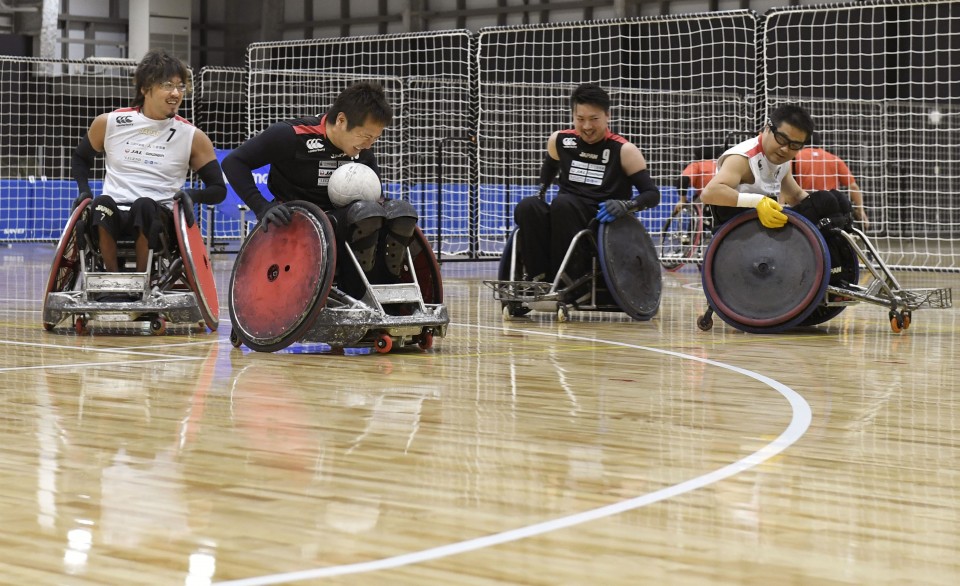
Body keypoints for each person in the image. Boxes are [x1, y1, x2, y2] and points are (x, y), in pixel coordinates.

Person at [221, 81, 417, 297]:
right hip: (300, 223)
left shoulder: (363, 153)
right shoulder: (291, 135)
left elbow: (375, 198)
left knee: (401, 212)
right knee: (366, 216)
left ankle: (389, 291)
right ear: (342, 120)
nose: (370, 145)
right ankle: (356, 293)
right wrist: (261, 207)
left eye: (375, 138)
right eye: (366, 136)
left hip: (347, 218)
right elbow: (233, 163)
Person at [71, 49, 226, 274]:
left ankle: (142, 280)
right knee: (101, 203)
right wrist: (84, 192)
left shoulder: (193, 137)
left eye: (180, 86)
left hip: (160, 216)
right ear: (145, 88)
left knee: (144, 205)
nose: (176, 93)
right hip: (113, 213)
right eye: (167, 85)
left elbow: (218, 189)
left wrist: (191, 195)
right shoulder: (110, 123)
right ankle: (111, 279)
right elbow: (80, 158)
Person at [512, 83, 660, 283]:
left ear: (607, 115)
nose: (587, 126)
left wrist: (626, 205)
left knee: (562, 204)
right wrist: (541, 192)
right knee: (528, 206)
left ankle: (568, 279)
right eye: (580, 119)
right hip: (562, 213)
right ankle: (538, 277)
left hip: (598, 219)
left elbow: (652, 194)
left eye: (594, 119)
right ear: (573, 116)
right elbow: (549, 168)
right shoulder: (560, 140)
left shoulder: (624, 150)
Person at [701, 103, 850, 230]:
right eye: (781, 138)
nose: (785, 149)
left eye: (794, 145)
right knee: (825, 201)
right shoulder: (742, 158)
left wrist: (830, 207)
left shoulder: (781, 160)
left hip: (763, 228)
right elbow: (709, 193)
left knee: (832, 201)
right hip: (739, 233)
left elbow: (795, 195)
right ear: (767, 128)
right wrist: (757, 202)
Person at [792, 146, 868, 229]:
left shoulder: (795, 157)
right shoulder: (833, 158)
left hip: (808, 208)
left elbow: (785, 185)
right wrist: (861, 211)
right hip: (832, 210)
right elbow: (853, 186)